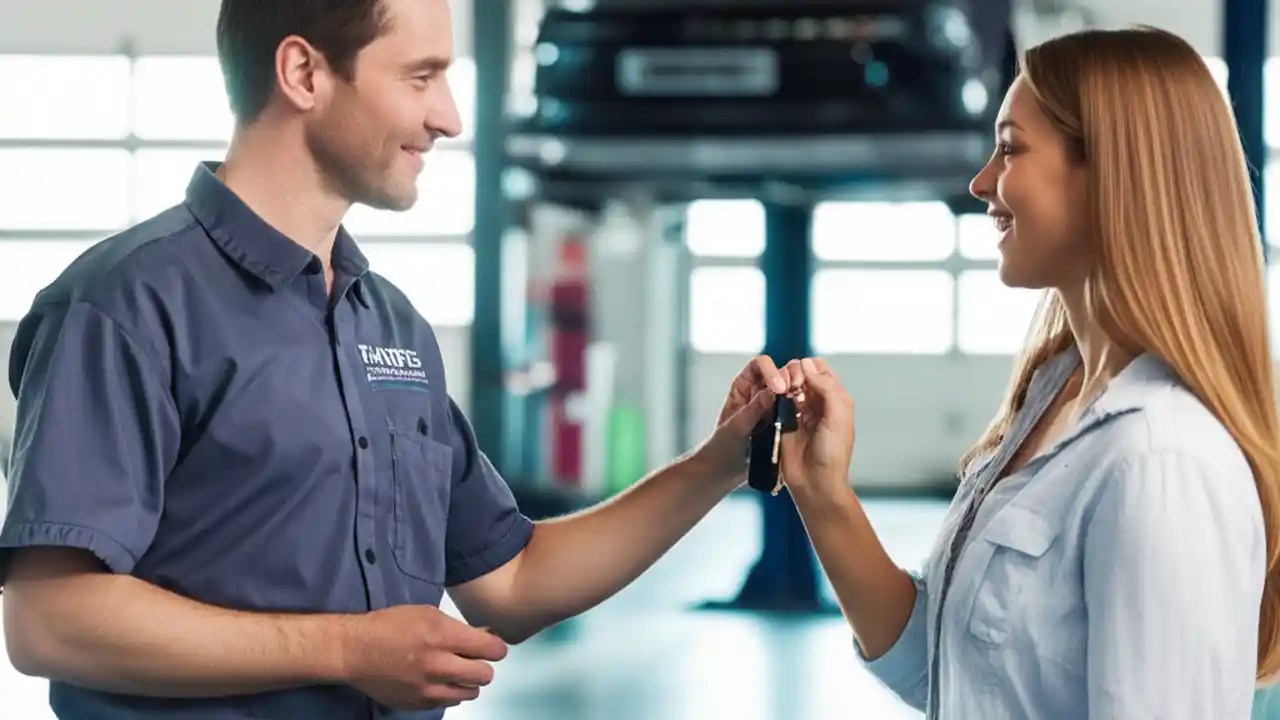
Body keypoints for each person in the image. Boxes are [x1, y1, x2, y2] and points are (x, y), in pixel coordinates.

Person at [0, 0, 792, 718]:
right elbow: (50, 620)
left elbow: (512, 582)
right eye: (421, 77)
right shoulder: (125, 305)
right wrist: (347, 650)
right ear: (303, 73)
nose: (448, 117)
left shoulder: (390, 325)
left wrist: (719, 462)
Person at [765, 26, 1280, 719]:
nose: (980, 182)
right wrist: (822, 493)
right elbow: (941, 670)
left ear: (1112, 174)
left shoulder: (1161, 463)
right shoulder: (1056, 401)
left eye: (1009, 149)